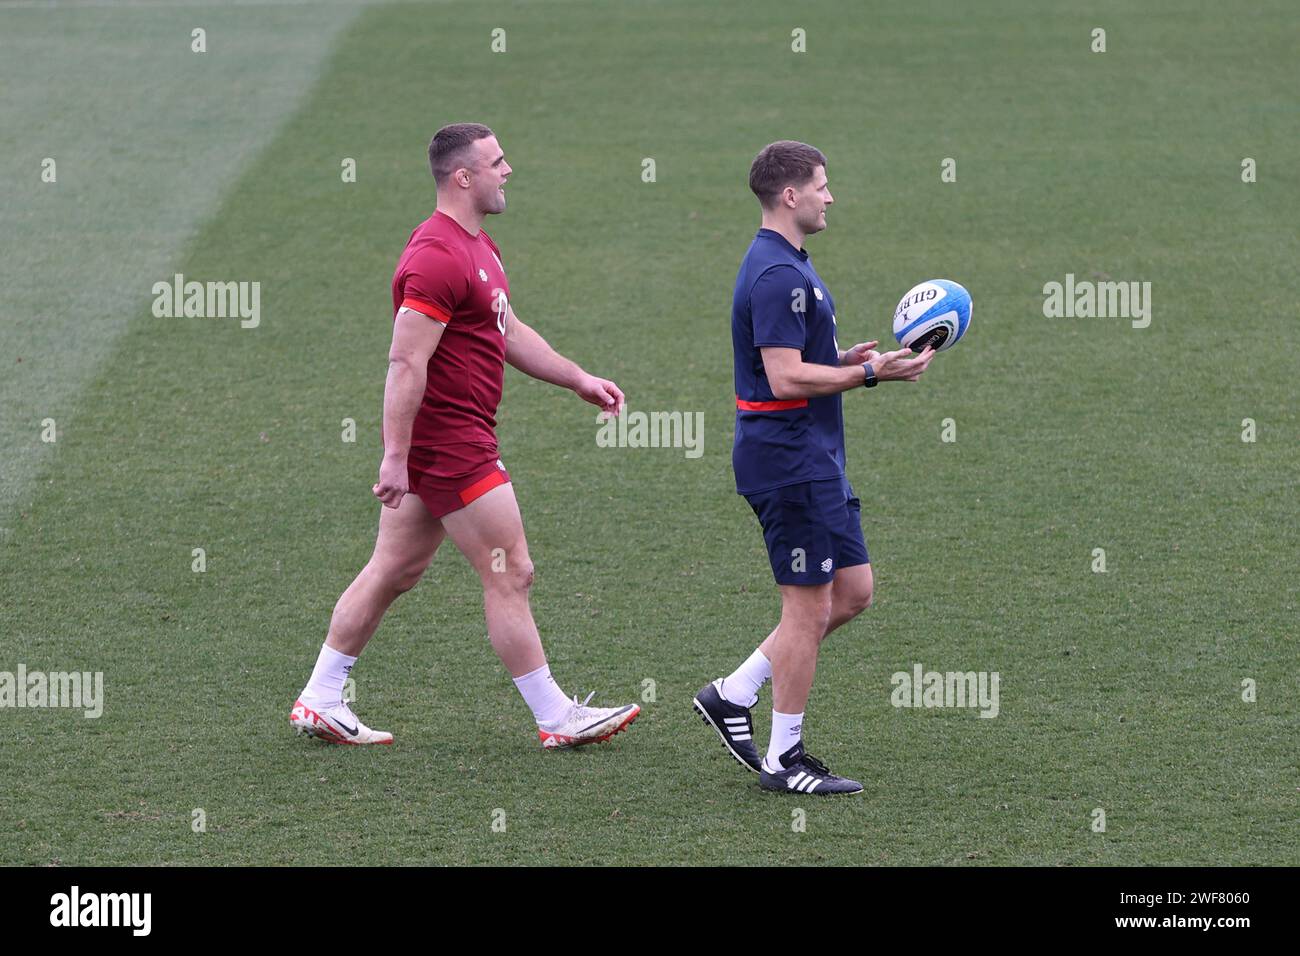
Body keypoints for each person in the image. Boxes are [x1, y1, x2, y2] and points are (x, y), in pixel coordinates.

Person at [291, 123, 640, 749]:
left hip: (447, 440)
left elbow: (508, 331)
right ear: (463, 176)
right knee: (511, 572)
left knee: (394, 569)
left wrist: (577, 379)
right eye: (497, 162)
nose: (508, 171)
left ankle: (320, 697)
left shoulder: (479, 246)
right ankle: (556, 716)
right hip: (451, 442)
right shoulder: (437, 256)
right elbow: (405, 362)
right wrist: (395, 456)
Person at [694, 140, 934, 794]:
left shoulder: (793, 263)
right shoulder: (776, 274)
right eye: (822, 186)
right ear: (790, 195)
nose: (831, 196)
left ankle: (732, 693)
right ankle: (784, 759)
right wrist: (866, 372)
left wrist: (849, 358)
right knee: (805, 611)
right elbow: (783, 376)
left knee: (853, 591)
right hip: (787, 462)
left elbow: (803, 358)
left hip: (815, 459)